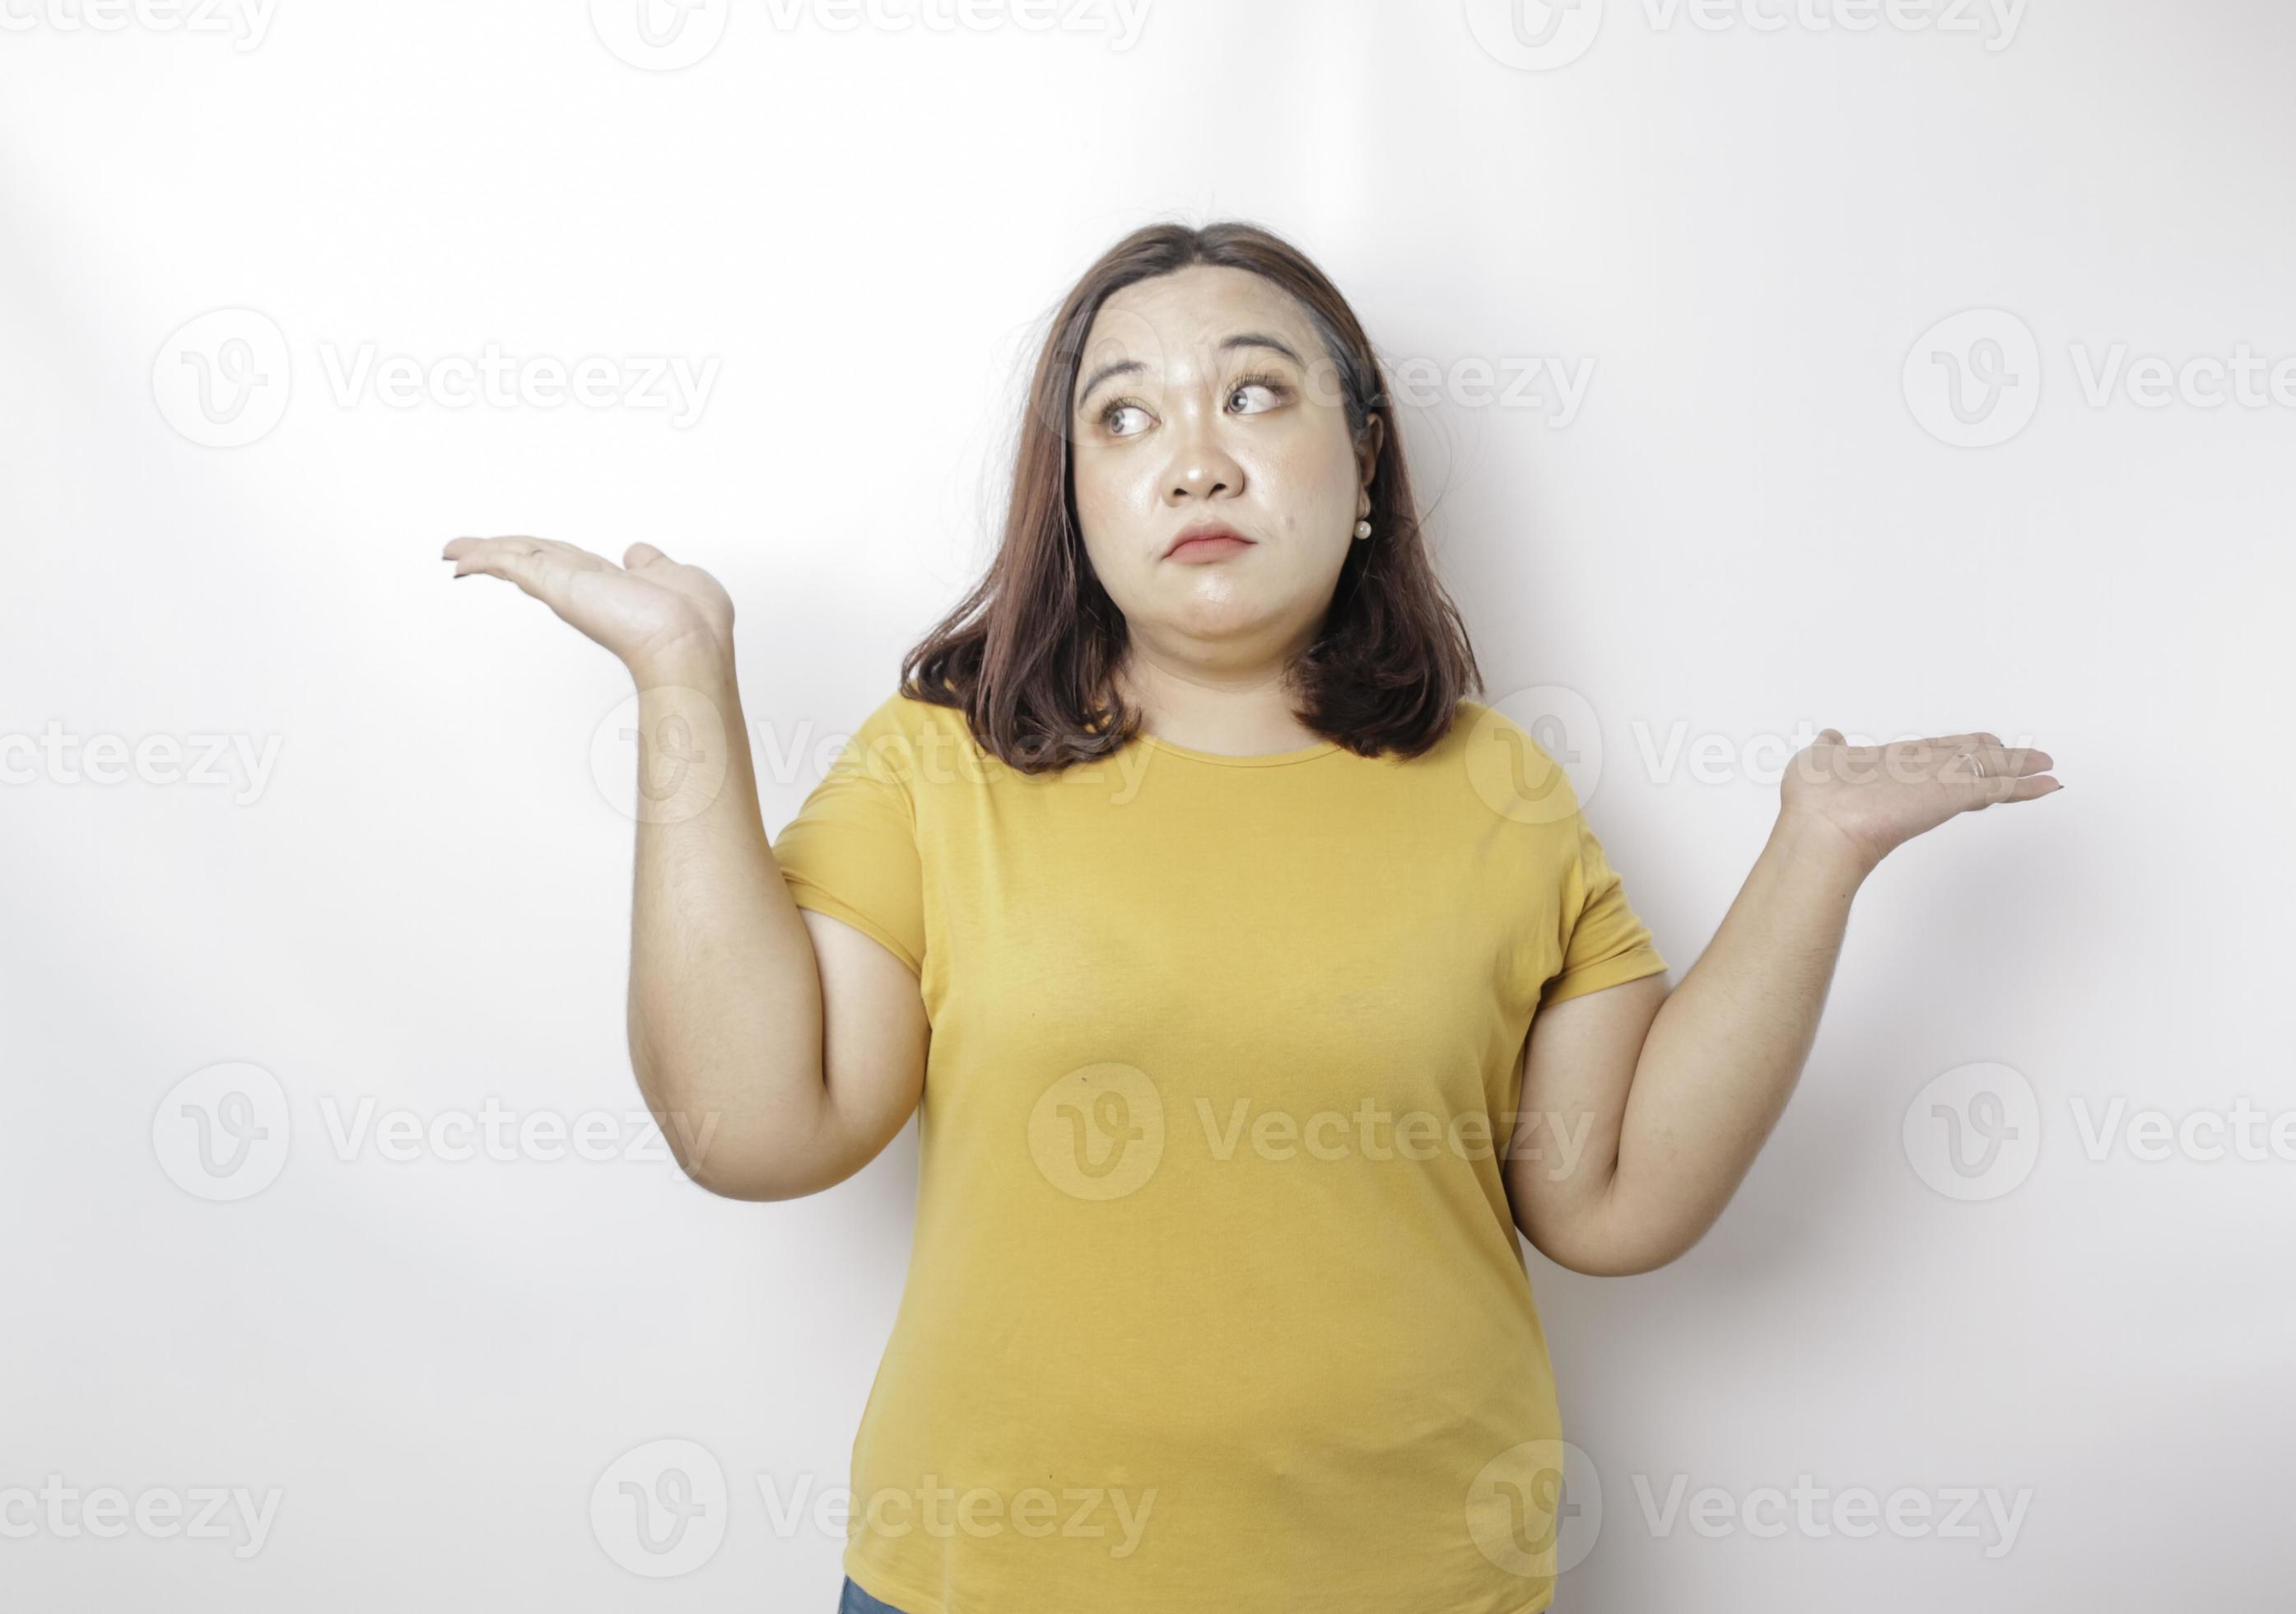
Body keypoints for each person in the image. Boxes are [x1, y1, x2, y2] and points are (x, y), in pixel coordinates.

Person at [440, 220, 2060, 1613]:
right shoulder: (943, 763)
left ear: (1364, 464)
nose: (1196, 452)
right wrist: (681, 680)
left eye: (1256, 393)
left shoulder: (1498, 786)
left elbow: (1613, 1200)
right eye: (1124, 414)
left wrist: (1819, 850)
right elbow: (749, 1120)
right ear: (1070, 497)